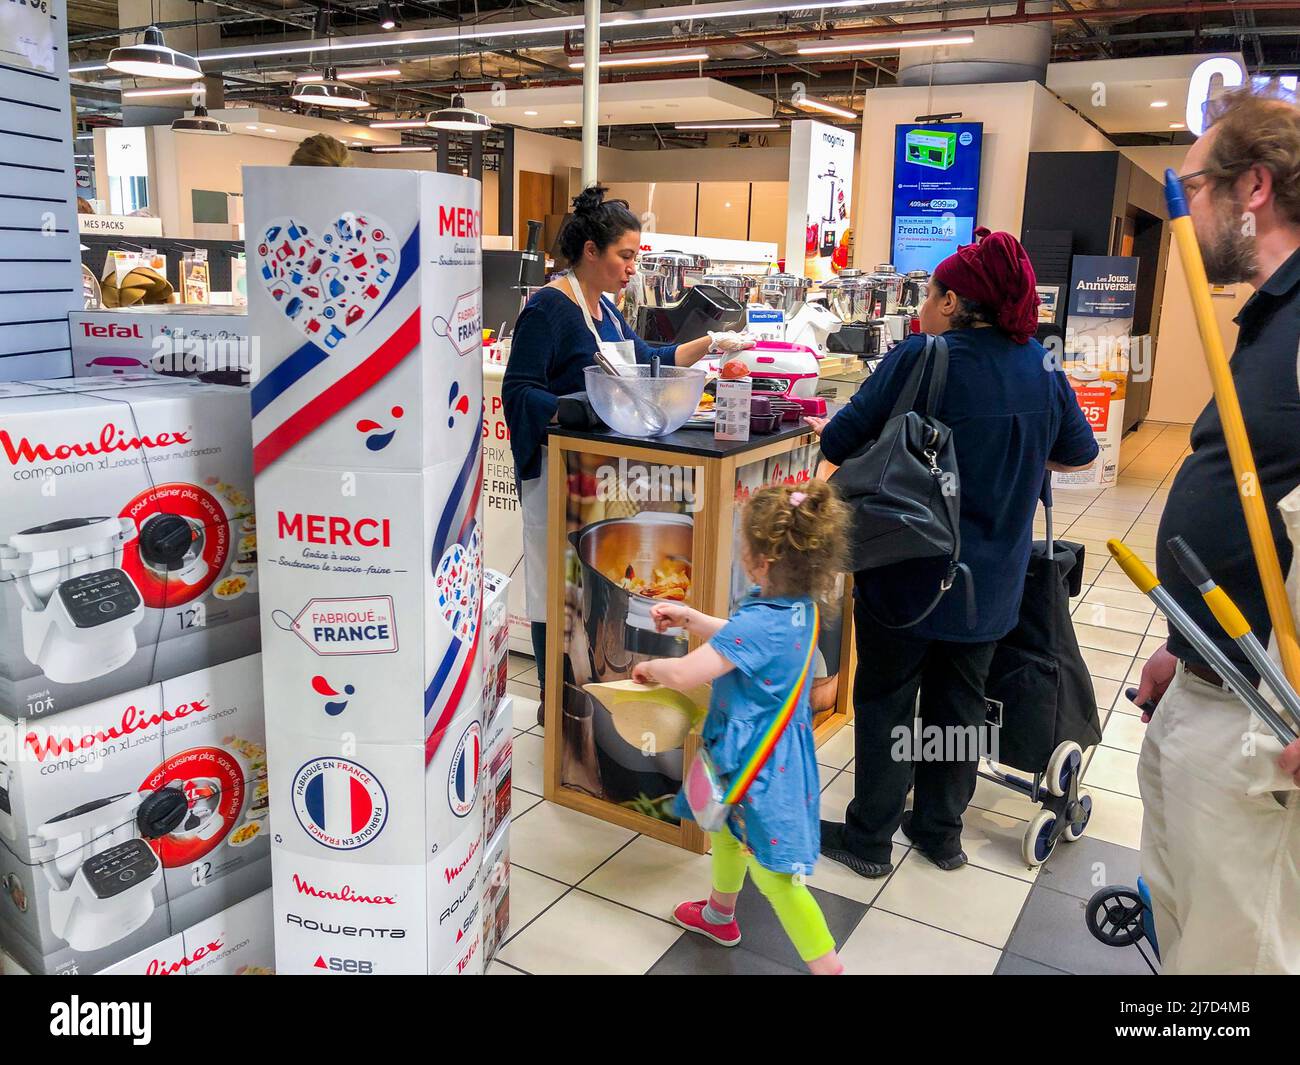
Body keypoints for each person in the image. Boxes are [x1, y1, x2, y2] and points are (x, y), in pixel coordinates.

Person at [808, 230, 1098, 878]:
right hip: (992, 580)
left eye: (934, 291)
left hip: (906, 571)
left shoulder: (923, 358)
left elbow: (845, 435)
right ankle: (940, 831)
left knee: (886, 698)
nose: (926, 302)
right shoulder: (1042, 367)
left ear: (957, 300)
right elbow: (1079, 452)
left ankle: (871, 836)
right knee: (960, 704)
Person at [1131, 87, 1300, 974]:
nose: (1185, 210)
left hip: (1263, 723)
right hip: (1209, 674)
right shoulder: (1267, 319)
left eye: (1192, 187)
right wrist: (1180, 644)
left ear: (1255, 187)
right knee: (1187, 924)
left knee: (1239, 954)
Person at [503, 186, 751, 725]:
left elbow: (649, 362)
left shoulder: (607, 312)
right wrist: (585, 405)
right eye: (626, 255)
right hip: (557, 473)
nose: (632, 268)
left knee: (591, 594)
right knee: (554, 588)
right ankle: (556, 707)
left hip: (597, 477)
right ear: (590, 251)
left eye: (636, 256)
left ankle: (589, 693)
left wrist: (712, 344)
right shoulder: (548, 309)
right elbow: (518, 391)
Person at [631, 482, 847, 975]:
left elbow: (687, 674)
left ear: (762, 562)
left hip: (756, 766)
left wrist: (652, 670)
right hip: (764, 755)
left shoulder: (762, 621)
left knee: (777, 878)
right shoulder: (798, 608)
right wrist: (691, 618)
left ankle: (829, 967)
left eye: (743, 545)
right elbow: (741, 639)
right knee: (727, 831)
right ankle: (719, 916)